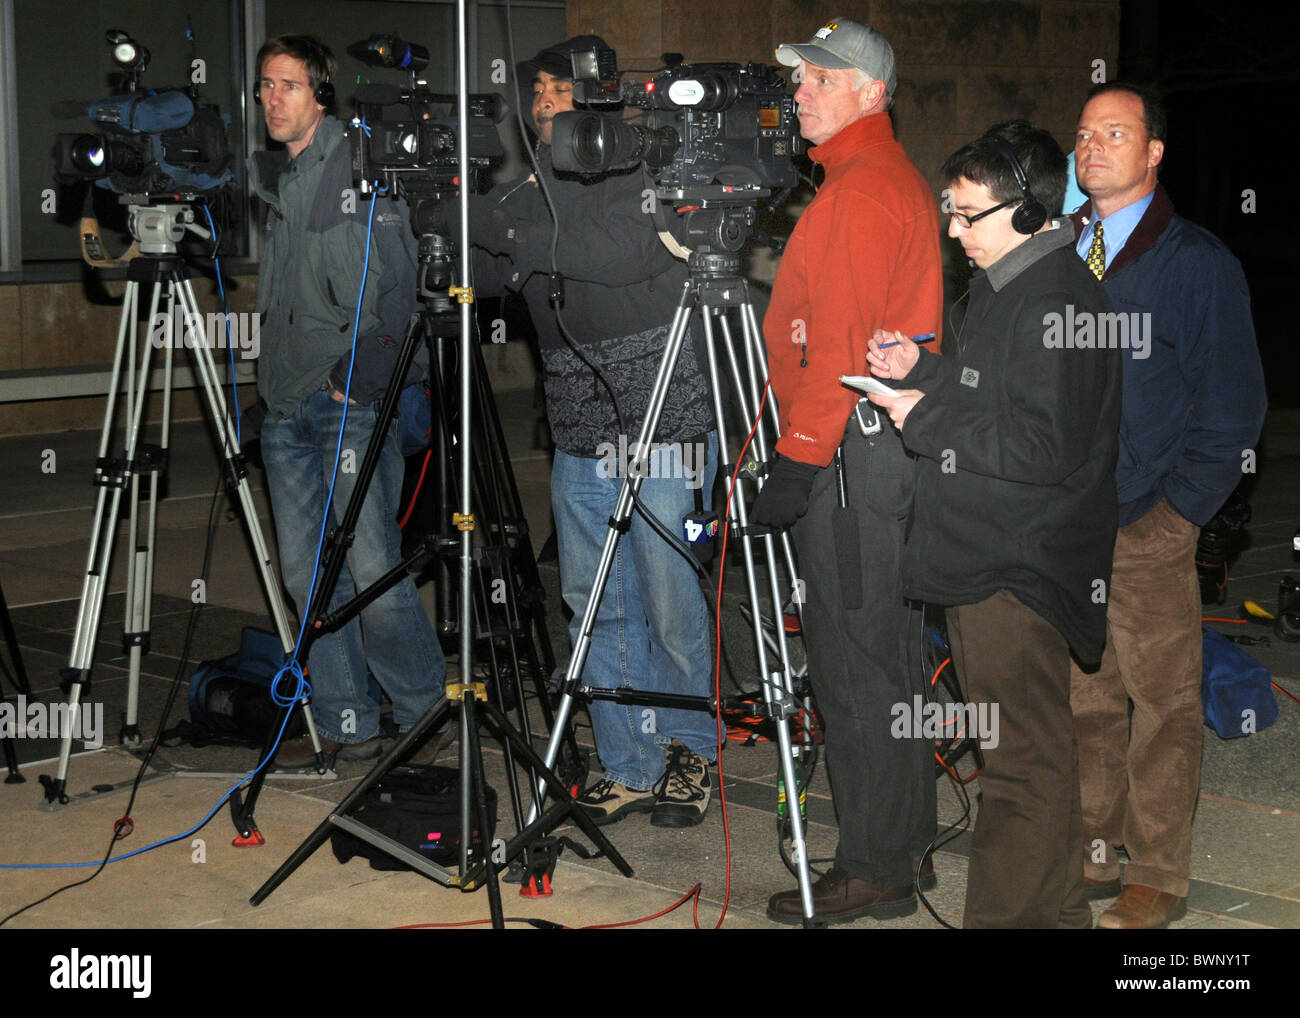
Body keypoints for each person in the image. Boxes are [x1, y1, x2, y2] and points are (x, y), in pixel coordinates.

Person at [868, 121, 1121, 928]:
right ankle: (1057, 913)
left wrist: (922, 418)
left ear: (1029, 213)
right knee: (1028, 759)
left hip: (1016, 569)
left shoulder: (1057, 303)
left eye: (967, 215)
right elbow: (994, 395)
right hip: (987, 558)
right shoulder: (1009, 286)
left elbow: (1042, 445)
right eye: (951, 210)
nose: (952, 230)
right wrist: (925, 372)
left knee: (1020, 772)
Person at [469, 36, 719, 827]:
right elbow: (488, 270)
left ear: (599, 94)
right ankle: (631, 760)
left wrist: (512, 239)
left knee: (671, 595)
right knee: (593, 599)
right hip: (578, 427)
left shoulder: (645, 170)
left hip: (665, 415)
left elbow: (615, 253)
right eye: (536, 92)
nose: (546, 103)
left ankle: (690, 753)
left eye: (560, 89)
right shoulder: (524, 196)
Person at [1067, 82, 1267, 929]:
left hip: (1146, 523)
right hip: (1064, 525)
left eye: (1116, 133)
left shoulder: (1196, 264)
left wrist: (1177, 512)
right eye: (1083, 133)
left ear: (1153, 153)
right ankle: (1095, 847)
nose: (1093, 146)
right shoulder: (1056, 252)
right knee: (1084, 701)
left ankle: (1160, 872)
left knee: (1164, 706)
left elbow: (1234, 409)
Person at [756, 18, 942, 924]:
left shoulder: (865, 189)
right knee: (887, 659)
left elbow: (838, 340)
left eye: (822, 78)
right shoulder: (864, 180)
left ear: (872, 92)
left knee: (855, 665)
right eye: (800, 79)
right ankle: (904, 843)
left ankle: (874, 865)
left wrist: (797, 456)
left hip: (846, 460)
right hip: (860, 454)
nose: (801, 91)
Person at [248, 35, 446, 767]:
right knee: (304, 576)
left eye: (289, 86)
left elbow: (400, 291)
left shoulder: (360, 170)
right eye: (266, 85)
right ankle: (349, 721)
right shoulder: (282, 182)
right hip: (285, 407)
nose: (273, 99)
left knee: (370, 566)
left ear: (320, 95)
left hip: (347, 402)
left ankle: (425, 710)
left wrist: (356, 384)